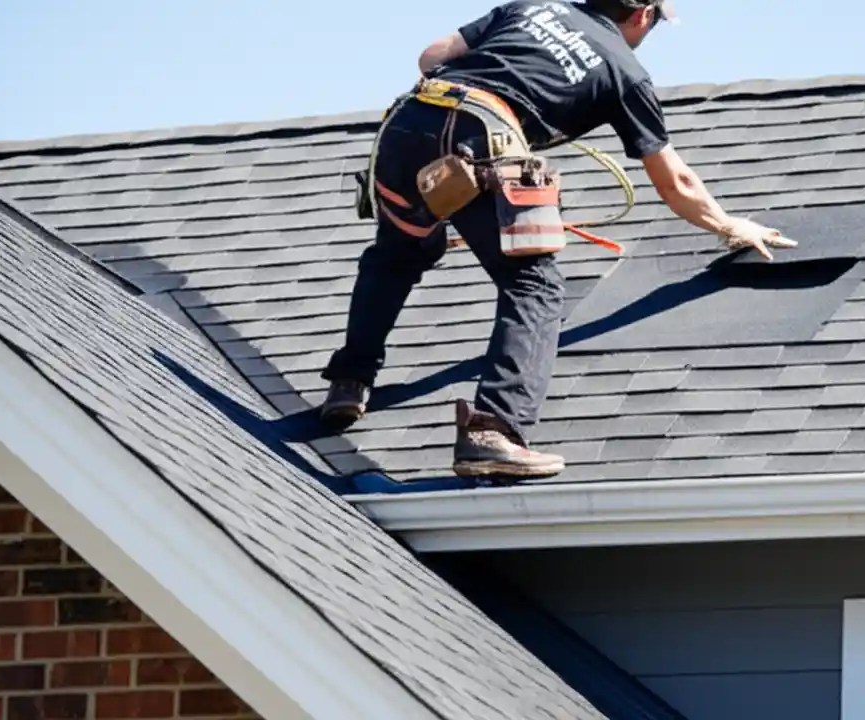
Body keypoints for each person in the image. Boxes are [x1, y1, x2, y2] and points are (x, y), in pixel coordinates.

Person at [318, 0, 798, 479]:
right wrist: (731, 225)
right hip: (482, 136)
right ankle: (494, 432)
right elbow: (677, 184)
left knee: (400, 252)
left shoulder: (533, 6)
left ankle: (350, 381)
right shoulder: (624, 71)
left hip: (408, 124)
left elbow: (430, 57)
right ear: (643, 16)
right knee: (535, 285)